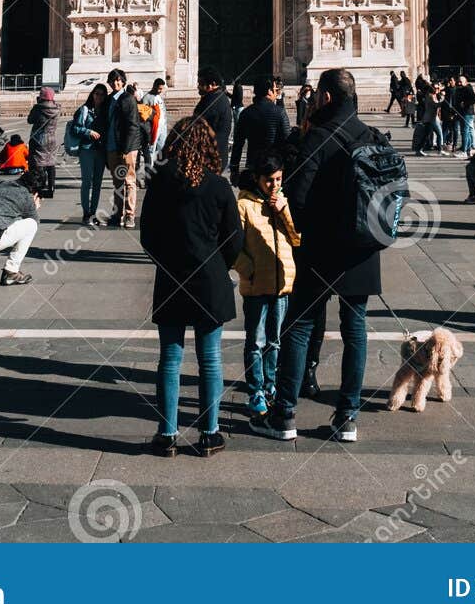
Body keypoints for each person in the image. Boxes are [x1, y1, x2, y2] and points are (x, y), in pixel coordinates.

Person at [253, 69, 382, 445]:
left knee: (301, 326)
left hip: (323, 250)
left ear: (325, 98)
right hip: (361, 250)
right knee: (355, 330)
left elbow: (300, 197)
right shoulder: (370, 135)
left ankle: (285, 414)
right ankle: (347, 417)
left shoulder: (318, 138)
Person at [140, 117, 243, 457]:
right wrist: (217, 266)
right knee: (210, 360)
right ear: (209, 146)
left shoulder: (159, 183)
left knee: (170, 359)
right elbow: (234, 240)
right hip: (209, 281)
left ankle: (167, 433)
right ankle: (209, 434)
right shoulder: (218, 186)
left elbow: (148, 236)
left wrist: (167, 262)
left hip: (171, 279)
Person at [234, 154, 301, 419]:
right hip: (256, 285)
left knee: (275, 341)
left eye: (278, 179)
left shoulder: (283, 202)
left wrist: (283, 210)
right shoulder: (244, 204)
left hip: (282, 283)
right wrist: (248, 269)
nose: (274, 185)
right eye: (269, 180)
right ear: (257, 179)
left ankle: (271, 386)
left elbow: (297, 238)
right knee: (256, 341)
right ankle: (256, 391)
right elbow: (232, 245)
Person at [230, 73, 291, 179]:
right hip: (273, 167)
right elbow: (287, 141)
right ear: (269, 91)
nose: (276, 93)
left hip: (253, 165)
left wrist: (234, 169)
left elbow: (238, 143)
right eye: (275, 89)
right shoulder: (280, 112)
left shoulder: (246, 113)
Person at [105, 67, 141, 229]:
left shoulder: (128, 99)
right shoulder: (109, 99)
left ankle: (129, 215)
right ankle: (117, 214)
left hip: (127, 148)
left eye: (119, 79)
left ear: (123, 81)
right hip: (112, 146)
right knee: (117, 182)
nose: (116, 82)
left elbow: (133, 126)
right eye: (113, 80)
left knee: (129, 181)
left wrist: (125, 149)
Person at [73, 84, 108, 223]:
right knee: (87, 182)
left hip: (101, 150)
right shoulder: (85, 109)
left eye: (102, 94)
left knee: (97, 183)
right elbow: (75, 128)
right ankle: (86, 213)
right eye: (96, 93)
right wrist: (89, 132)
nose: (99, 96)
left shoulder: (106, 111)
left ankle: (93, 212)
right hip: (87, 149)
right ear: (92, 94)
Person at [193, 67, 233, 170]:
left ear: (212, 84)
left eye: (201, 83)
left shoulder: (211, 103)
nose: (198, 86)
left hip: (210, 158)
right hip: (217, 155)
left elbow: (198, 128)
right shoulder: (219, 97)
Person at [27, 87, 59, 199]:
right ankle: (51, 188)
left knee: (37, 162)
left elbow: (30, 120)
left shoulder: (38, 108)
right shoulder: (56, 108)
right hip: (52, 139)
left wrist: (37, 104)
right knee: (51, 163)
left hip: (39, 138)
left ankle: (39, 186)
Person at [145, 77, 168, 167]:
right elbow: (144, 114)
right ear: (154, 86)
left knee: (162, 148)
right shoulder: (147, 97)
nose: (160, 91)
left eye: (162, 89)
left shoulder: (159, 97)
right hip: (153, 128)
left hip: (162, 127)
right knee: (151, 149)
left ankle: (160, 168)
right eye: (159, 88)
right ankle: (149, 169)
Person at [455, 73, 475, 155]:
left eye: (460, 82)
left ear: (465, 82)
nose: (459, 83)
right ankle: (466, 149)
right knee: (464, 131)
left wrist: (465, 103)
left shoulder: (468, 88)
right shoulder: (459, 89)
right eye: (458, 81)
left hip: (467, 112)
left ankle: (465, 150)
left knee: (465, 131)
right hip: (462, 112)